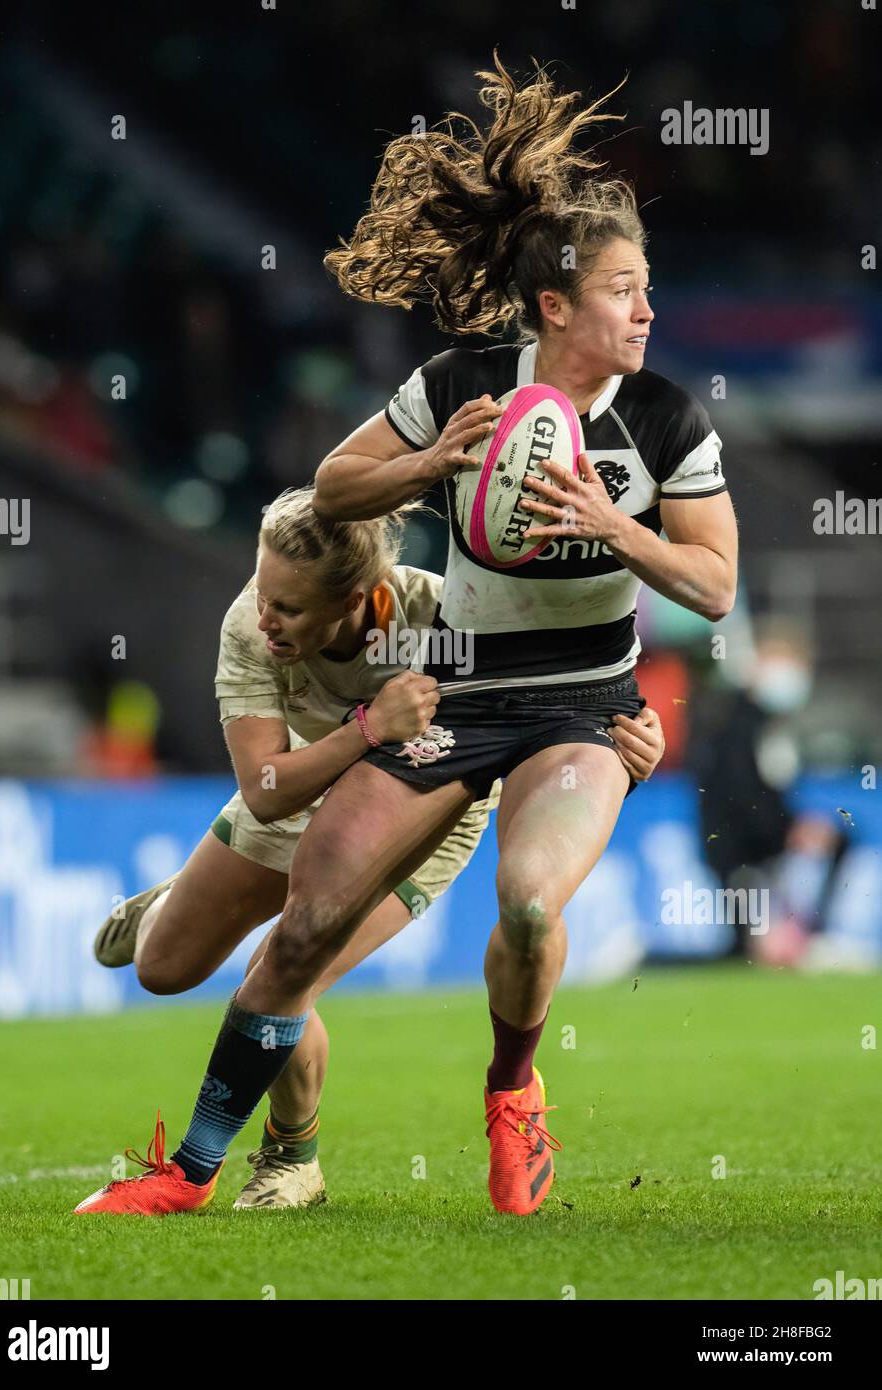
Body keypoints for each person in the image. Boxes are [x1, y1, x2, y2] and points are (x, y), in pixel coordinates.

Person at [78, 54, 732, 1220]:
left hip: (584, 709)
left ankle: (514, 1092)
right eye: (625, 289)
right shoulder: (463, 384)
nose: (645, 309)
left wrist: (607, 527)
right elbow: (333, 486)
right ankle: (188, 1175)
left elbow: (718, 585)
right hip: (459, 694)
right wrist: (432, 466)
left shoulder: (668, 420)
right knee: (304, 930)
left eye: (646, 287)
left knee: (530, 903)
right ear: (554, 307)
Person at [79, 486, 665, 1213]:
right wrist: (368, 727)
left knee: (282, 970)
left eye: (288, 608)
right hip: (298, 778)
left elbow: (561, 701)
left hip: (421, 816)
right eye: (265, 594)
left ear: (359, 599)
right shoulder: (247, 624)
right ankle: (170, 902)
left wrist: (631, 735)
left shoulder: (449, 621)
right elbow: (265, 790)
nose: (266, 618)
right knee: (161, 969)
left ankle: (292, 1159)